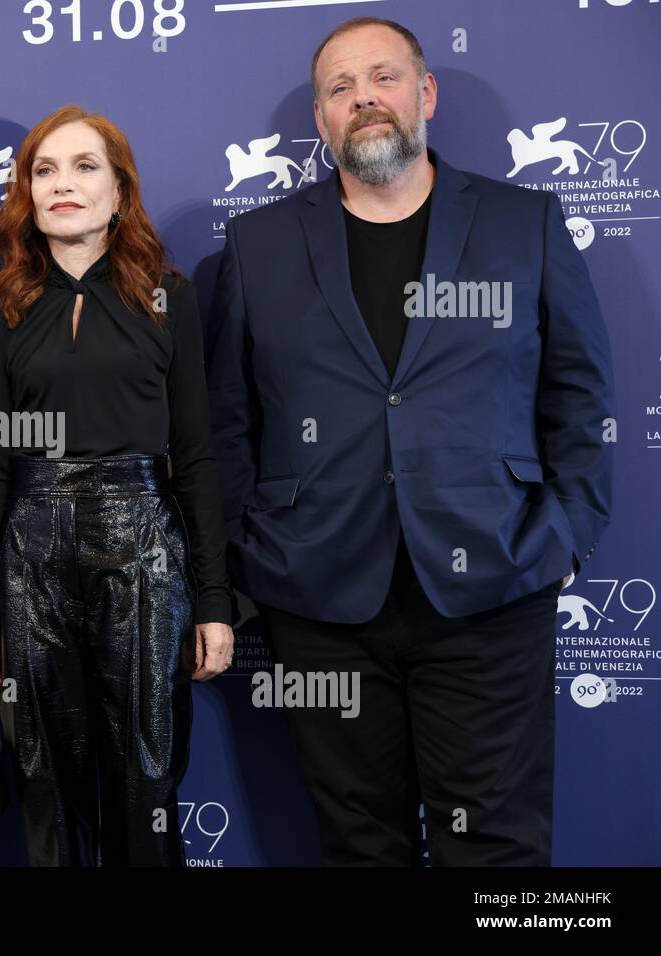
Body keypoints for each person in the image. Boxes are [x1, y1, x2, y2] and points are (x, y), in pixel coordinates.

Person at [205, 17, 615, 865]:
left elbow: (579, 395)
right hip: (319, 598)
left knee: (498, 848)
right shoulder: (259, 243)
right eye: (341, 88)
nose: (365, 100)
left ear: (425, 94)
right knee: (359, 846)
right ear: (321, 119)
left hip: (494, 586)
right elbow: (228, 419)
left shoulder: (523, 222)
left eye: (384, 78)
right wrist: (252, 553)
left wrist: (566, 537)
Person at [0, 106, 235, 867]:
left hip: (145, 549)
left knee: (146, 775)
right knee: (46, 777)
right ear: (26, 194)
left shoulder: (167, 298)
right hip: (31, 554)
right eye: (44, 171)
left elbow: (197, 453)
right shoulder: (1, 308)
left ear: (120, 190)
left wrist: (214, 599)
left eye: (85, 168)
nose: (63, 185)